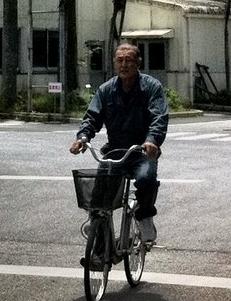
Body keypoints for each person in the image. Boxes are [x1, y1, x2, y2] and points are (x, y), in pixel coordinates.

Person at [70, 41, 168, 244]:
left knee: (145, 179)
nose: (124, 65)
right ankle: (98, 242)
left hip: (142, 151)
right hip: (115, 150)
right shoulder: (106, 90)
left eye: (129, 60)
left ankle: (145, 216)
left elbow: (159, 118)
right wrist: (82, 138)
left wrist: (152, 141)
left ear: (138, 63)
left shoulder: (151, 87)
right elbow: (92, 117)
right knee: (100, 191)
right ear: (115, 63)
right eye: (120, 60)